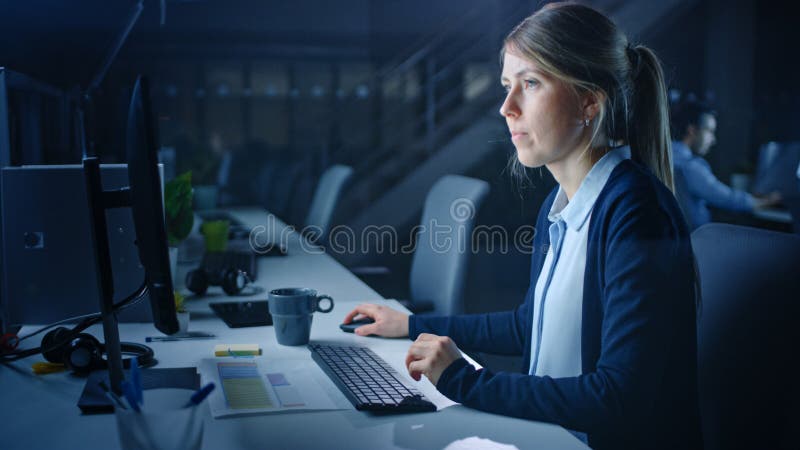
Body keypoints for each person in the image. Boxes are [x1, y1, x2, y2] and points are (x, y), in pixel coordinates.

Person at [343, 3, 702, 450]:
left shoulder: (637, 211)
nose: (506, 107)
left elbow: (618, 397)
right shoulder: (562, 203)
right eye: (506, 86)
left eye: (530, 83)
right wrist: (410, 324)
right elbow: (527, 325)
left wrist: (463, 380)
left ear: (589, 101)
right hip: (548, 436)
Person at [671, 98, 781, 229]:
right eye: (710, 131)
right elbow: (728, 199)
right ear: (692, 130)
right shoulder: (689, 166)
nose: (713, 140)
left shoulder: (666, 157)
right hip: (697, 238)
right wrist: (767, 201)